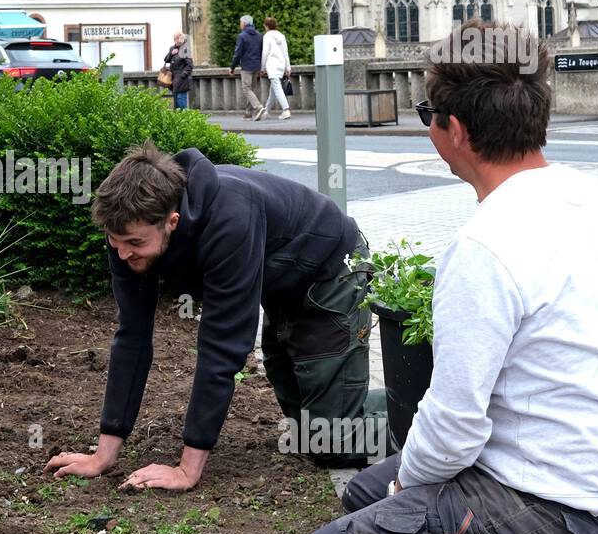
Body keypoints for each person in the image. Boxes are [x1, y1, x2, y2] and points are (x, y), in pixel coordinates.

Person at [277, 22, 598, 534]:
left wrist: (401, 490)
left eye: (426, 116)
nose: (428, 130)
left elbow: (453, 430)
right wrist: (388, 495)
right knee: (361, 493)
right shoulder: (597, 203)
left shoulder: (485, 248)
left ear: (456, 132)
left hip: (539, 497)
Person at [44, 142, 380, 491]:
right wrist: (103, 455)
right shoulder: (127, 228)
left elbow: (223, 346)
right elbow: (132, 336)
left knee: (336, 444)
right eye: (115, 241)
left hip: (332, 273)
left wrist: (187, 470)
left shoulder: (230, 218)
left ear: (172, 222)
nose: (123, 252)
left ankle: (424, 414)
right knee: (309, 429)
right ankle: (370, 402)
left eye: (134, 243)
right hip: (282, 284)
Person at [230, 14, 264, 119]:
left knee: (246, 89)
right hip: (256, 65)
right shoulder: (259, 35)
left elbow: (237, 53)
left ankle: (258, 107)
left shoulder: (242, 36)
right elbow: (262, 51)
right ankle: (249, 113)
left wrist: (232, 67)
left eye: (240, 23)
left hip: (246, 66)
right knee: (252, 89)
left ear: (244, 23)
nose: (240, 25)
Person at [259, 17, 291, 120]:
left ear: (266, 26)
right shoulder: (281, 36)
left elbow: (265, 52)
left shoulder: (267, 36)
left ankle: (286, 110)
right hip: (281, 64)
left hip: (272, 64)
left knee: (276, 87)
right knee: (273, 89)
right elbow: (285, 52)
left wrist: (262, 67)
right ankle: (266, 111)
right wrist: (288, 67)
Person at [162, 32, 194, 110]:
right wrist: (171, 54)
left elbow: (190, 66)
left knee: (181, 101)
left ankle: (185, 119)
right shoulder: (172, 48)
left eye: (178, 38)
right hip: (173, 78)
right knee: (176, 101)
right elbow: (166, 60)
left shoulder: (185, 50)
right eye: (175, 38)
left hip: (182, 79)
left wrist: (182, 75)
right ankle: (178, 120)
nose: (176, 40)